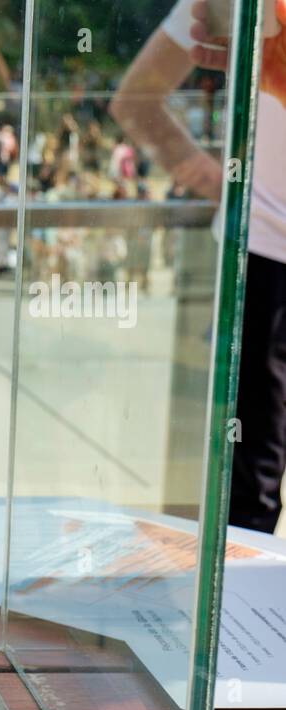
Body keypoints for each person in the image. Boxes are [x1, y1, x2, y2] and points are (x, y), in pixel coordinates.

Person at [111, 0, 286, 532]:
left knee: (252, 477)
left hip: (262, 255)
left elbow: (136, 102)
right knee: (250, 486)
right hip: (262, 255)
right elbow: (136, 101)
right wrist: (220, 183)